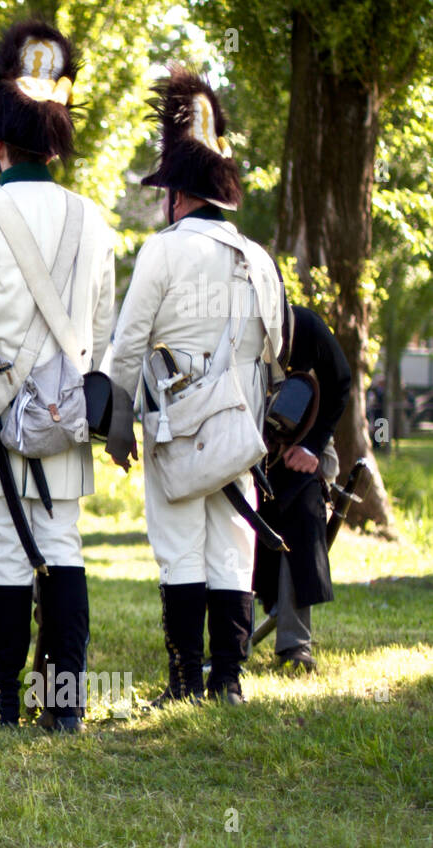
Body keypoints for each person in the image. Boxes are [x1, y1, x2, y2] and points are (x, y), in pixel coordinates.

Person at [0, 20, 117, 732]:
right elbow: (101, 326)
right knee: (64, 546)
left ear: (0, 138)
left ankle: (5, 700)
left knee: (7, 551)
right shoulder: (95, 219)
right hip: (66, 407)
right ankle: (65, 705)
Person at [106, 67, 284, 705]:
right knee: (234, 552)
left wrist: (117, 422)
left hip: (177, 428)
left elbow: (127, 345)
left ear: (177, 193)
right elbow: (278, 349)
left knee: (179, 552)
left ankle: (184, 682)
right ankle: (229, 683)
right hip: (239, 431)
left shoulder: (163, 251)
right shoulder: (259, 260)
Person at [253, 305, 352, 672]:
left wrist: (312, 447)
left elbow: (340, 380)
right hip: (249, 445)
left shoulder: (307, 327)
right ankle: (232, 639)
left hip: (306, 442)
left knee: (304, 514)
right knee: (237, 526)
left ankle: (296, 646)